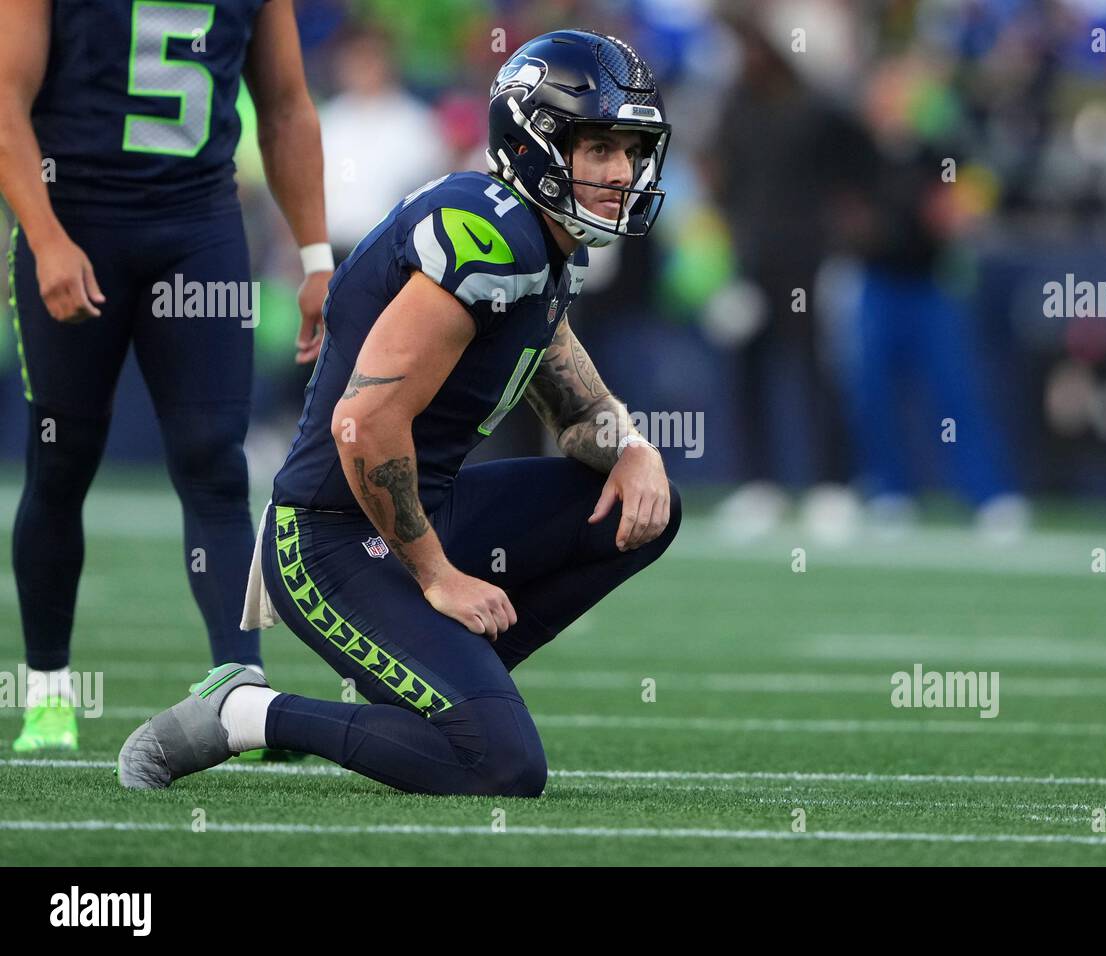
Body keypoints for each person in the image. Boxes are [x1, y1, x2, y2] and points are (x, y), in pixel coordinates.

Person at [118, 30, 681, 798]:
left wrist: (633, 448)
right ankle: (245, 713)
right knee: (502, 765)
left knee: (645, 504)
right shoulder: (493, 238)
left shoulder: (540, 242)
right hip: (329, 535)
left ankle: (442, 693)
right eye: (599, 150)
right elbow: (364, 423)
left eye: (629, 150)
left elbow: (570, 394)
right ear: (538, 143)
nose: (621, 172)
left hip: (422, 505)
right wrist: (438, 575)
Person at [0, 0, 330, 752]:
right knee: (61, 459)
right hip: (77, 212)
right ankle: (49, 690)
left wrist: (316, 256)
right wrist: (47, 238)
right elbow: (6, 100)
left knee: (215, 457)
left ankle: (240, 688)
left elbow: (284, 105)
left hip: (198, 222)